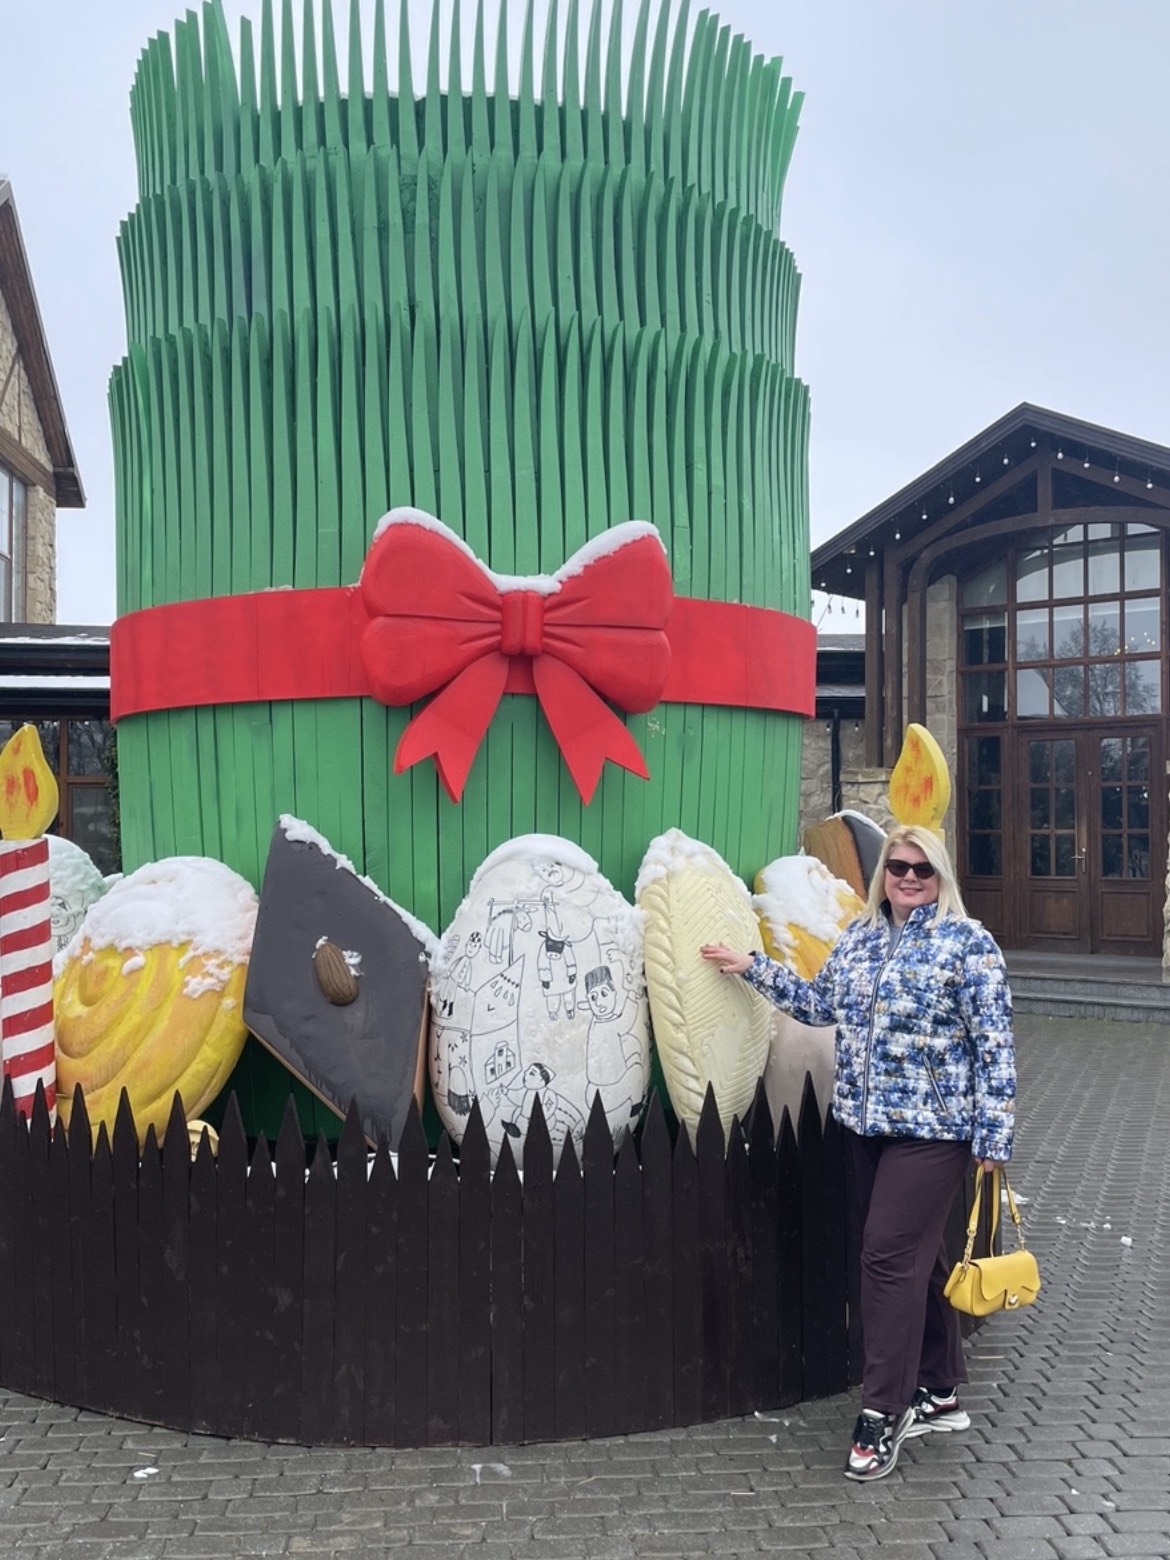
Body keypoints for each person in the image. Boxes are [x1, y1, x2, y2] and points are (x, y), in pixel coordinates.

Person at [700, 824, 1015, 1483]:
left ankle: (884, 1409)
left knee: (885, 1260)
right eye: (897, 866)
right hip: (865, 1127)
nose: (907, 877)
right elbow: (819, 1005)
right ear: (883, 875)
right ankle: (940, 1389)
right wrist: (753, 968)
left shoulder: (968, 945)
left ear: (941, 877)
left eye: (921, 869)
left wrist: (994, 1135)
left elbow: (995, 1046)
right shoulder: (863, 937)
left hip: (934, 1131)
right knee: (919, 1260)